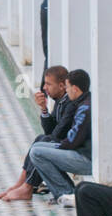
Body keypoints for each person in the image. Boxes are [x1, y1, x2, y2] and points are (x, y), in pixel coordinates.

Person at [0, 65, 75, 201]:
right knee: (41, 138)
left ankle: (27, 187)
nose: (44, 88)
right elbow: (50, 132)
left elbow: (56, 135)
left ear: (62, 86)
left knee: (43, 144)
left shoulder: (70, 104)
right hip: (66, 146)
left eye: (48, 84)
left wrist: (48, 138)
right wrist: (43, 109)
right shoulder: (60, 101)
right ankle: (21, 183)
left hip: (76, 151)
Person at [25, 69, 92, 208]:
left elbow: (72, 140)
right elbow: (53, 133)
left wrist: (57, 148)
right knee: (38, 146)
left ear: (75, 89)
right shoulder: (78, 103)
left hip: (85, 159)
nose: (66, 91)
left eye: (67, 87)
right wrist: (44, 109)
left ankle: (67, 192)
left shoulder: (83, 108)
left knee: (38, 152)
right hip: (78, 151)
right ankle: (29, 185)